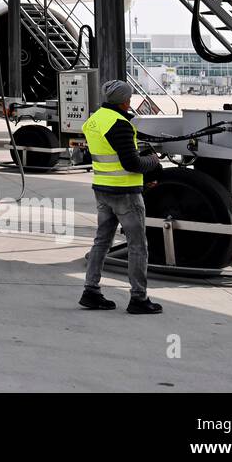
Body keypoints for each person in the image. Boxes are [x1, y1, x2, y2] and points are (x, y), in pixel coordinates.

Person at [79, 79, 164, 315]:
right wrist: (154, 161)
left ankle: (90, 291)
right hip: (125, 194)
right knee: (138, 246)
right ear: (125, 101)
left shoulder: (94, 121)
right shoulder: (120, 124)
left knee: (102, 242)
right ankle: (139, 298)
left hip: (102, 190)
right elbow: (132, 163)